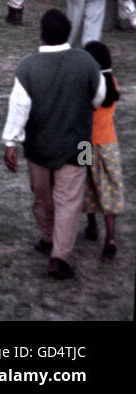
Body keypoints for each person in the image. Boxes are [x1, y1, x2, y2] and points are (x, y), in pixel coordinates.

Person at [1, 9, 105, 280]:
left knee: (41, 195)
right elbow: (99, 96)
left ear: (41, 34)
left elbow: (19, 108)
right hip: (82, 145)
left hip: (39, 146)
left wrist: (10, 143)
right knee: (71, 199)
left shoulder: (28, 67)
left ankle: (49, 238)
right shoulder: (86, 61)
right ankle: (60, 255)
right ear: (68, 33)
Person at [81, 41, 121, 260]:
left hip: (84, 144)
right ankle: (111, 237)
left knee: (85, 183)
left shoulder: (86, 86)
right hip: (108, 143)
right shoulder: (113, 83)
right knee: (108, 189)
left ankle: (92, 225)